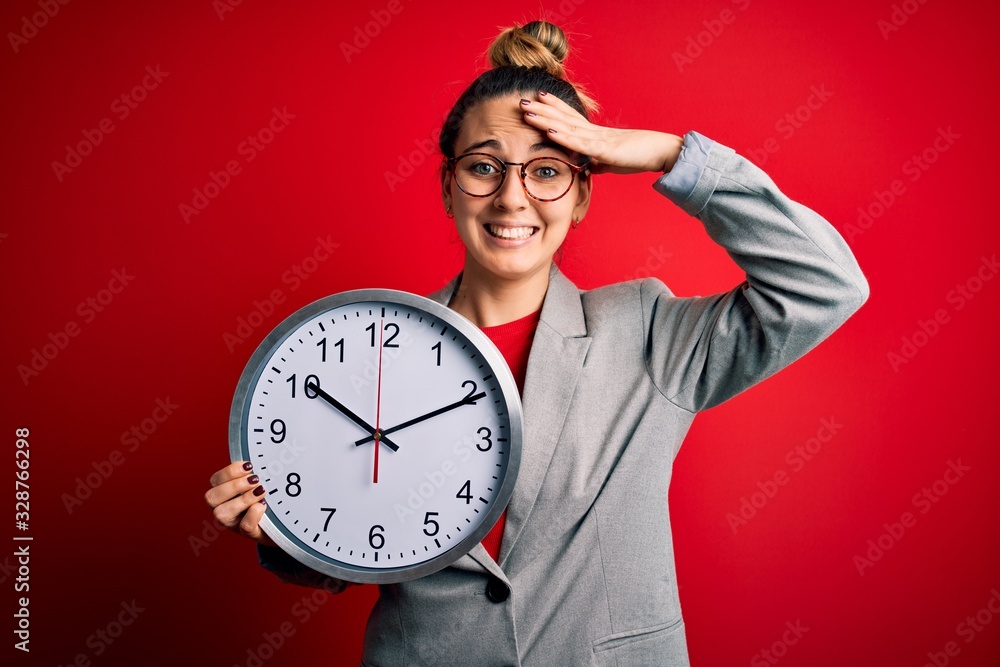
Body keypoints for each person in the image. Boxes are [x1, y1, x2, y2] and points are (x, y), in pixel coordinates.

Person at [205, 20, 869, 666]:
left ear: (581, 195)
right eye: (484, 167)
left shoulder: (647, 332)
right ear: (448, 186)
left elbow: (825, 282)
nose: (512, 197)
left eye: (547, 171)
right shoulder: (367, 350)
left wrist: (670, 155)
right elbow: (358, 533)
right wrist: (281, 533)